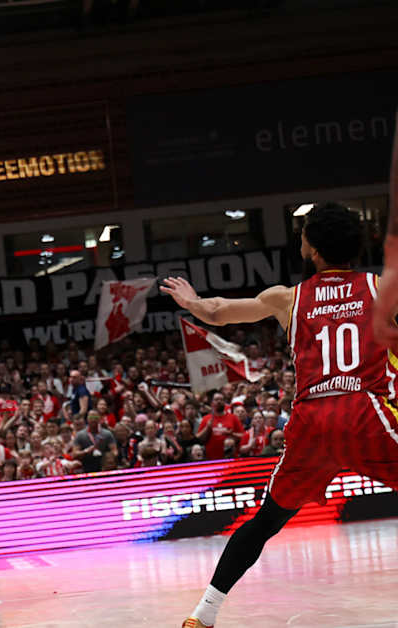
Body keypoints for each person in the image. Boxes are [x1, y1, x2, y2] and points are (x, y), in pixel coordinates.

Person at [163, 202, 398, 628]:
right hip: (364, 412)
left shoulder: (287, 298)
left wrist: (192, 300)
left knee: (267, 520)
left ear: (311, 248)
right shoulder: (380, 287)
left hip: (311, 423)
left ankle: (203, 614)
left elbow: (216, 312)